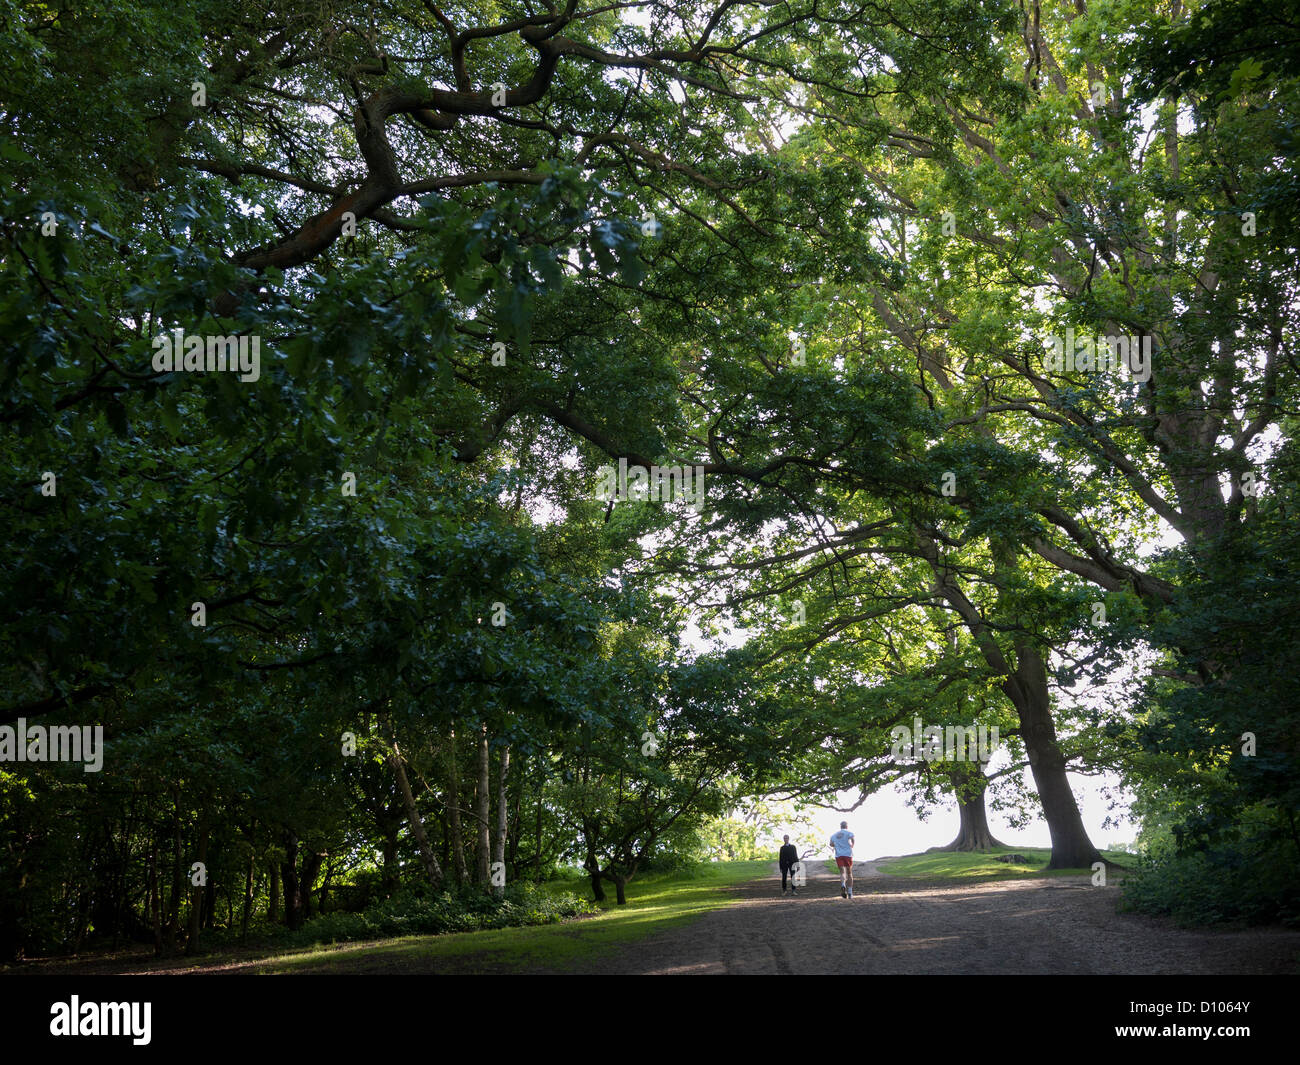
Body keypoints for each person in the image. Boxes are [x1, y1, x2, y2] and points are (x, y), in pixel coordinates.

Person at [829, 821, 855, 898]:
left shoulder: (834, 835)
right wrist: (852, 845)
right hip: (847, 854)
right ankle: (850, 893)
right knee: (849, 873)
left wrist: (837, 845)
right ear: (846, 826)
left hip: (839, 855)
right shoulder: (849, 833)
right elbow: (852, 839)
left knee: (842, 872)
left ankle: (843, 884)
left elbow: (831, 844)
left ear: (840, 826)